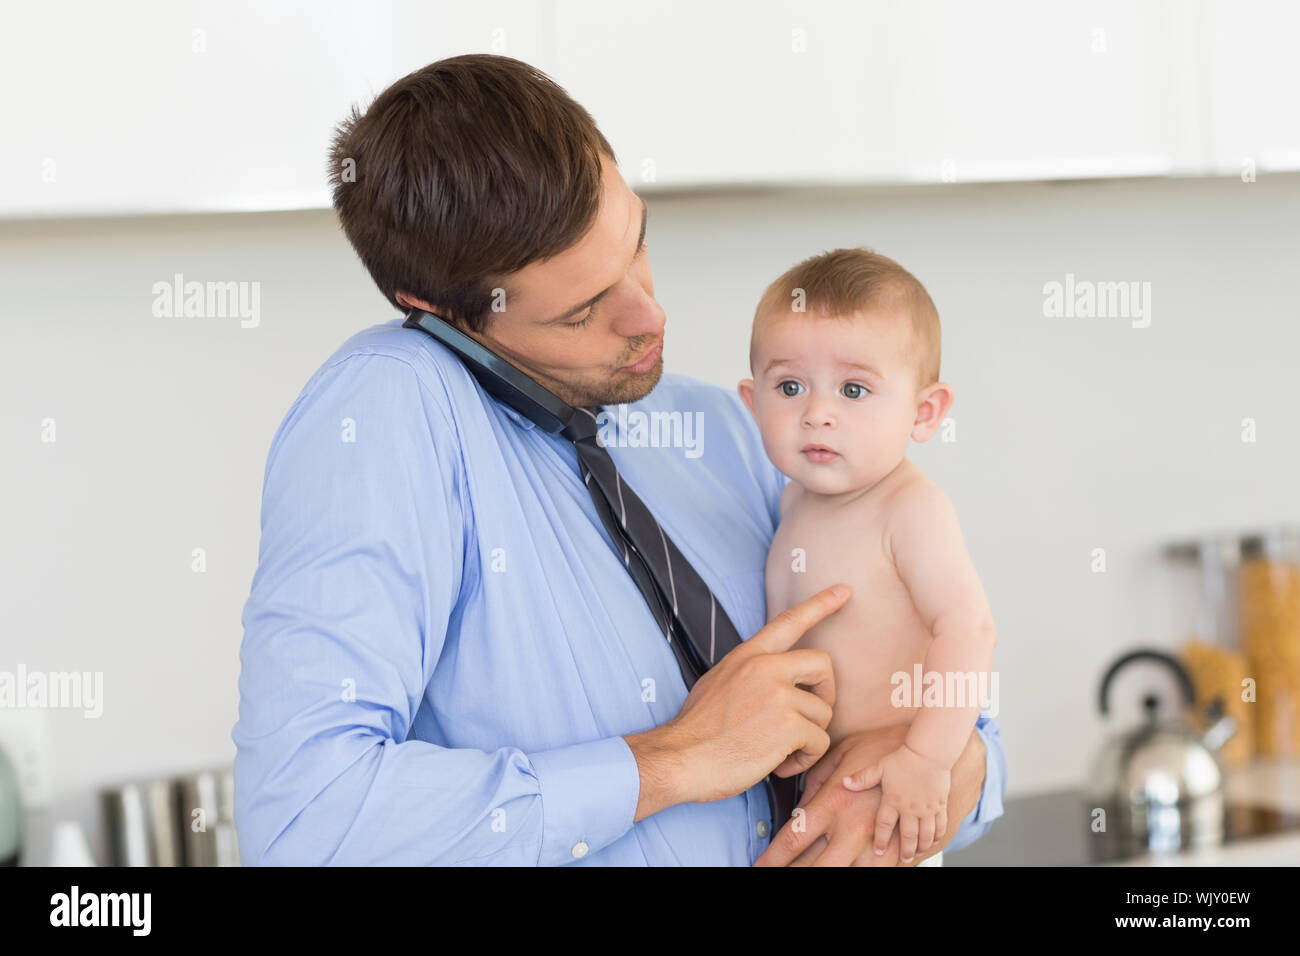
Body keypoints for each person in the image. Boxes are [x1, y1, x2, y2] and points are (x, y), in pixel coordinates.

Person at [231, 53, 1005, 865]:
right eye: (582, 310)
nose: (650, 314)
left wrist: (938, 771)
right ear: (436, 310)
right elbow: (306, 826)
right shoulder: (389, 410)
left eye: (636, 244)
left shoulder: (727, 425)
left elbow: (959, 712)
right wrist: (676, 760)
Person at [738, 247, 999, 867]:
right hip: (816, 789)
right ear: (752, 404)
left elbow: (968, 628)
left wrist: (928, 760)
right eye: (790, 386)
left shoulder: (911, 508)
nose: (817, 414)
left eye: (854, 389)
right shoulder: (792, 503)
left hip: (891, 792)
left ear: (924, 411)